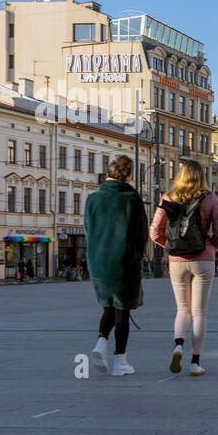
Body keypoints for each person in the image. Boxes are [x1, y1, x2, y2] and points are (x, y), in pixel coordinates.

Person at [150, 159, 218, 377]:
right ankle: (195, 362)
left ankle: (177, 346)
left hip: (177, 261)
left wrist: (172, 247)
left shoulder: (168, 197)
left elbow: (155, 231)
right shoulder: (210, 198)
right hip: (203, 259)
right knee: (199, 311)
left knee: (182, 309)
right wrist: (211, 245)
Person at [85, 155, 148, 378]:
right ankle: (120, 361)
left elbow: (88, 230)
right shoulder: (131, 198)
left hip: (97, 262)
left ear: (109, 173)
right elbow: (141, 235)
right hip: (123, 262)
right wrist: (137, 258)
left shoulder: (93, 199)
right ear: (129, 175)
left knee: (107, 307)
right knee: (122, 309)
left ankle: (100, 344)